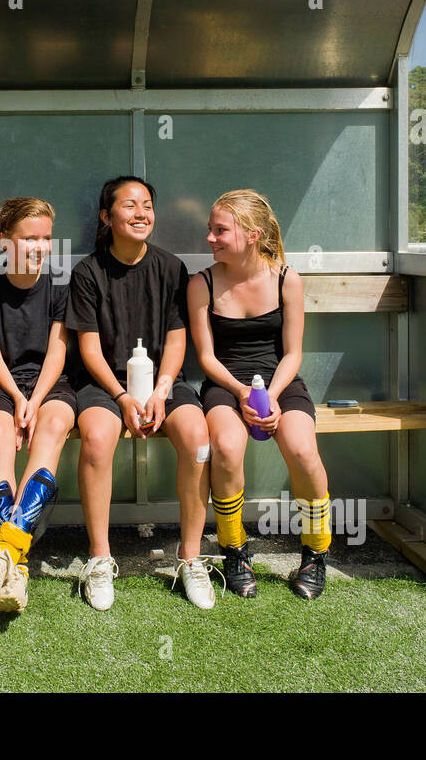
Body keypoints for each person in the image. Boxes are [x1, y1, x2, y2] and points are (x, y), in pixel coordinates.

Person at [65, 176, 214, 610]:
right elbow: (88, 349)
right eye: (129, 205)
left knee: (198, 440)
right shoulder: (87, 273)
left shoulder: (171, 268)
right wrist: (124, 396)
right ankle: (98, 558)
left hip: (164, 382)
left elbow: (177, 338)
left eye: (147, 205)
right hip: (104, 383)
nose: (140, 213)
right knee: (96, 439)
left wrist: (163, 388)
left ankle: (191, 557)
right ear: (106, 216)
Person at [187, 189, 331, 600]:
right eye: (210, 230)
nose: (210, 239)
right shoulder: (203, 283)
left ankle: (316, 551)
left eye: (220, 231)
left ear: (252, 235)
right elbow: (206, 357)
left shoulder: (287, 278)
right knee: (228, 448)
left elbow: (293, 353)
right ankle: (234, 549)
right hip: (224, 384)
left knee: (303, 450)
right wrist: (242, 394)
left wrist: (273, 396)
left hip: (281, 382)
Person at [0, 198, 77, 613]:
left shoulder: (60, 288)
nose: (39, 247)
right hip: (1, 384)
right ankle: (18, 567)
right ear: (3, 241)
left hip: (49, 385)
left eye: (46, 238)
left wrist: (35, 399)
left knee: (53, 427)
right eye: (29, 238)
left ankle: (2, 555)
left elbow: (57, 354)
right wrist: (16, 398)